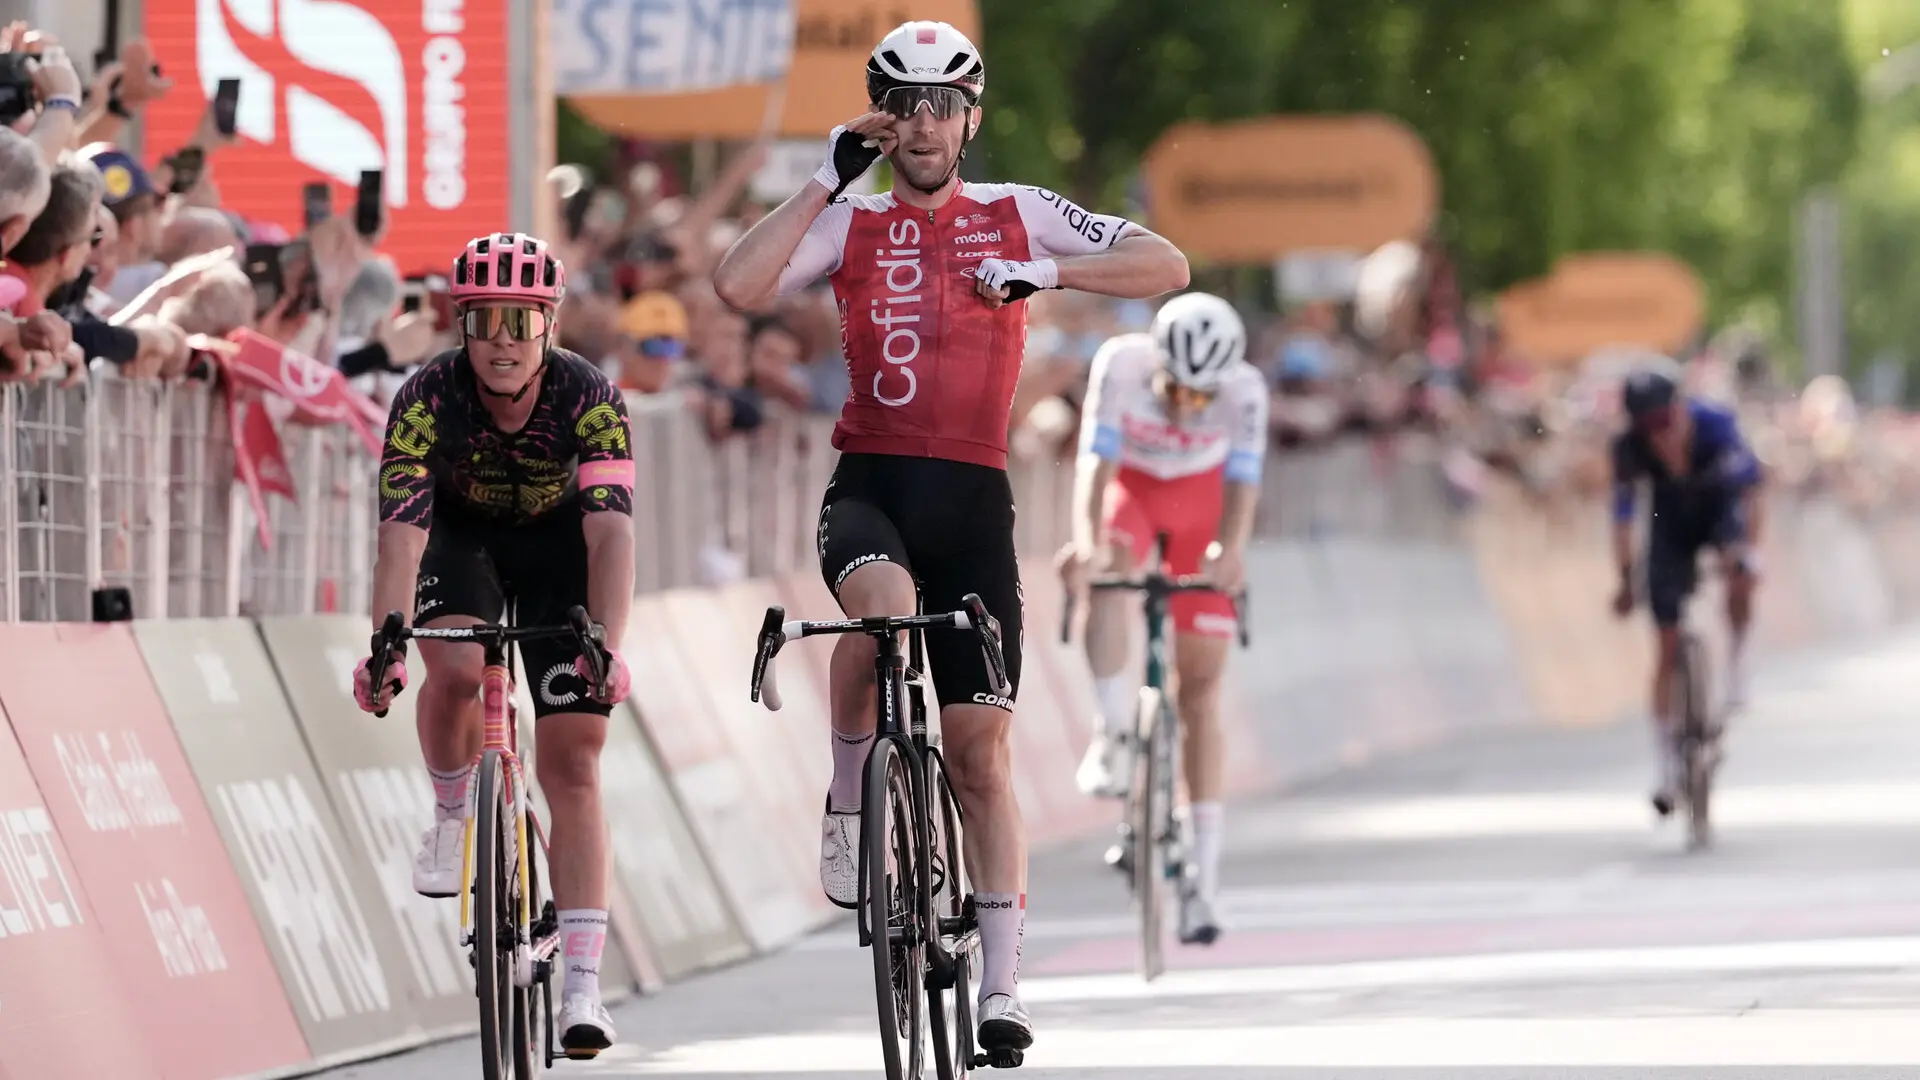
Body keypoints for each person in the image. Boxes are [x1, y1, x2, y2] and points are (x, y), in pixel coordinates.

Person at [710, 19, 1189, 1055]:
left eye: (943, 105)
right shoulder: (847, 224)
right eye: (903, 105)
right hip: (871, 483)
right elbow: (737, 288)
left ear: (970, 118)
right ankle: (849, 803)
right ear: (882, 117)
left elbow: (1167, 264)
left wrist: (1045, 275)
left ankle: (1003, 990)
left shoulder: (1017, 213)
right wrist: (820, 184)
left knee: (979, 757)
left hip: (974, 501)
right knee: (878, 618)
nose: (923, 125)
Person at [350, 231, 637, 1058]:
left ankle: (583, 986)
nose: (504, 341)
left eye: (522, 320)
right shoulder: (426, 396)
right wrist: (385, 646)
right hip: (459, 543)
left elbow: (612, 537)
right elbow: (399, 541)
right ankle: (451, 814)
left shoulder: (590, 396)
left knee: (576, 757)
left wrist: (609, 646)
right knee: (454, 663)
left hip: (560, 552)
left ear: (549, 324)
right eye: (486, 321)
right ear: (461, 325)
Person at [1058, 292, 1266, 947]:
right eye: (1174, 390)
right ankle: (1113, 728)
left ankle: (1204, 880)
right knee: (1110, 561)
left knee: (1200, 693)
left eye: (1201, 399)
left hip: (1201, 503)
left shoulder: (1247, 392)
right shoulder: (1120, 362)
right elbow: (1095, 462)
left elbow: (1243, 483)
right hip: (1137, 494)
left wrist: (1230, 554)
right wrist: (1086, 542)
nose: (1183, 407)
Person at [1610, 365, 1763, 816]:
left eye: (1665, 422)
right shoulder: (1629, 448)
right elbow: (1621, 519)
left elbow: (1753, 494)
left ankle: (1737, 660)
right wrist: (1624, 578)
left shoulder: (1717, 427)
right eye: (1648, 428)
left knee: (1742, 572)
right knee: (1666, 642)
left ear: (1680, 408)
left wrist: (1749, 554)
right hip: (1668, 523)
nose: (1660, 436)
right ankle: (1665, 765)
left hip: (1719, 511)